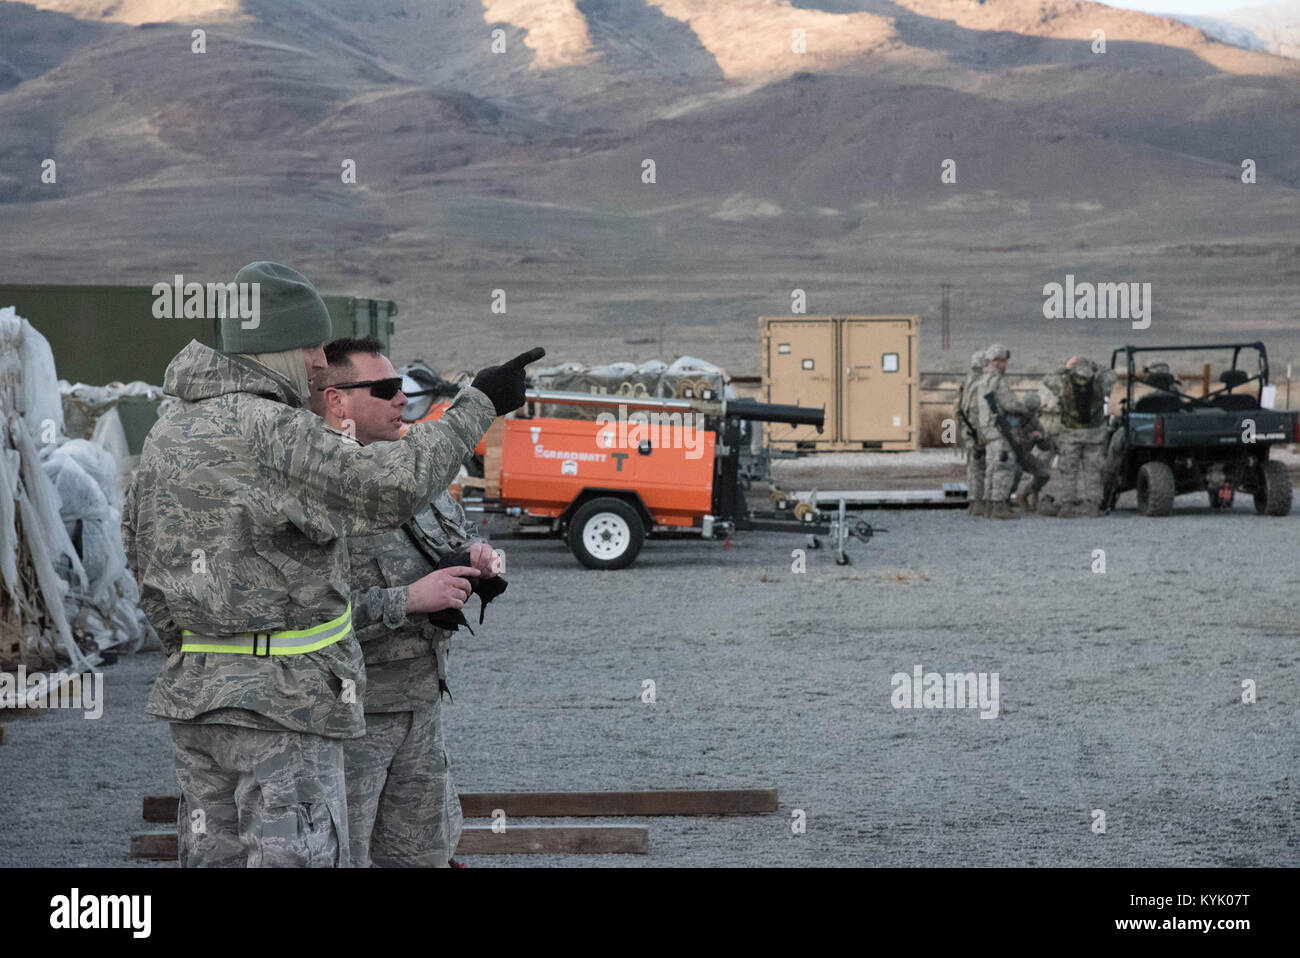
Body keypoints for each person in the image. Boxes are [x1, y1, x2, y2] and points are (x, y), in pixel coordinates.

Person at [122, 261, 538, 867]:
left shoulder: (170, 432)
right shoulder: (273, 429)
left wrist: (201, 654)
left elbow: (140, 557)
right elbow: (391, 486)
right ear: (276, 344)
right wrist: (478, 404)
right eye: (311, 346)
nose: (319, 362)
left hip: (197, 702)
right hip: (283, 706)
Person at [312, 337, 500, 868]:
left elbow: (450, 539)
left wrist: (473, 560)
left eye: (403, 387)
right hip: (349, 719)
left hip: (421, 705)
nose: (402, 399)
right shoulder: (314, 486)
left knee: (423, 855)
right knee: (338, 854)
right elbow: (301, 616)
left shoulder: (411, 468)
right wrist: (409, 600)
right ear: (336, 400)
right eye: (386, 388)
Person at [1043, 355, 1117, 517]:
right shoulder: (1099, 382)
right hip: (1094, 434)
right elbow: (1112, 374)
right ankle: (1093, 507)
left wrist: (1064, 367)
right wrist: (1096, 365)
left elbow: (1047, 378)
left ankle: (1067, 506)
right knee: (1093, 470)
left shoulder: (1063, 383)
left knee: (1069, 471)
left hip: (1070, 434)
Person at [975, 344, 1029, 520]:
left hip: (988, 430)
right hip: (1000, 430)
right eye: (1004, 361)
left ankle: (989, 505)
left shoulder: (982, 381)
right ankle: (999, 506)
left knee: (992, 467)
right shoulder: (998, 381)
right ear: (997, 361)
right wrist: (1024, 408)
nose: (1005, 364)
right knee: (1004, 467)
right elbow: (1010, 404)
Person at [953, 350, 987, 516]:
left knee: (972, 466)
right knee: (978, 466)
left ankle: (973, 501)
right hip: (974, 430)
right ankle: (977, 502)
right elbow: (975, 410)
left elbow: (958, 406)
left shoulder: (967, 380)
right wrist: (980, 434)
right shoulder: (980, 383)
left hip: (966, 428)